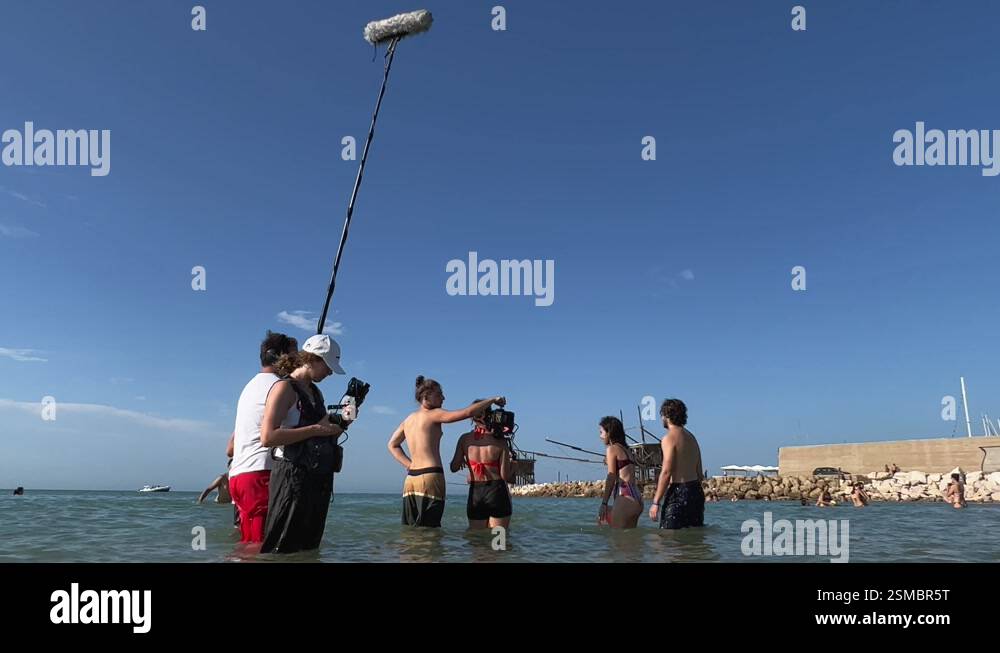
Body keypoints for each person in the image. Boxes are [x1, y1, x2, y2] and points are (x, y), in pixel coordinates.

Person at [259, 334, 346, 554]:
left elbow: (321, 430)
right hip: (291, 476)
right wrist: (316, 429)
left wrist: (341, 424)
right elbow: (267, 437)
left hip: (317, 478)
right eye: (327, 366)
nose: (329, 373)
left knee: (308, 547)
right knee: (283, 545)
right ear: (313, 359)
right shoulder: (284, 389)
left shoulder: (316, 393)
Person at [388, 376, 504, 527]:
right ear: (426, 396)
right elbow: (467, 412)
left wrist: (409, 464)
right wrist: (493, 399)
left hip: (411, 480)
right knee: (430, 530)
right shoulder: (434, 414)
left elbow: (392, 445)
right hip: (430, 477)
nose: (443, 398)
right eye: (439, 394)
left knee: (413, 530)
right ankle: (497, 548)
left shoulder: (409, 419)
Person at [227, 331, 297, 544]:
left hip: (238, 477)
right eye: (295, 355)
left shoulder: (249, 388)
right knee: (260, 549)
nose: (299, 361)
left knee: (246, 547)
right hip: (261, 475)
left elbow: (230, 448)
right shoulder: (279, 387)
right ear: (280, 357)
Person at [449, 403, 513, 530]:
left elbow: (454, 467)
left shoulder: (464, 439)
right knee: (498, 539)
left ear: (472, 418)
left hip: (476, 493)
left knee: (477, 540)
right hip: (497, 492)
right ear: (491, 416)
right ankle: (497, 548)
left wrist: (465, 460)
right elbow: (505, 475)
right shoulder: (500, 441)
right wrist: (514, 467)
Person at [649, 399, 705, 529]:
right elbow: (699, 473)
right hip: (696, 492)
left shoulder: (668, 438)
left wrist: (656, 502)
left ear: (666, 416)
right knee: (694, 541)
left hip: (679, 492)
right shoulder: (691, 437)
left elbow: (667, 471)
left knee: (668, 540)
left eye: (662, 415)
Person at [596, 416, 642, 528]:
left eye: (601, 432)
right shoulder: (626, 449)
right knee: (630, 541)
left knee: (618, 540)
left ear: (609, 433)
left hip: (624, 497)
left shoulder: (611, 449)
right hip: (636, 497)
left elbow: (611, 477)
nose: (600, 436)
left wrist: (604, 503)